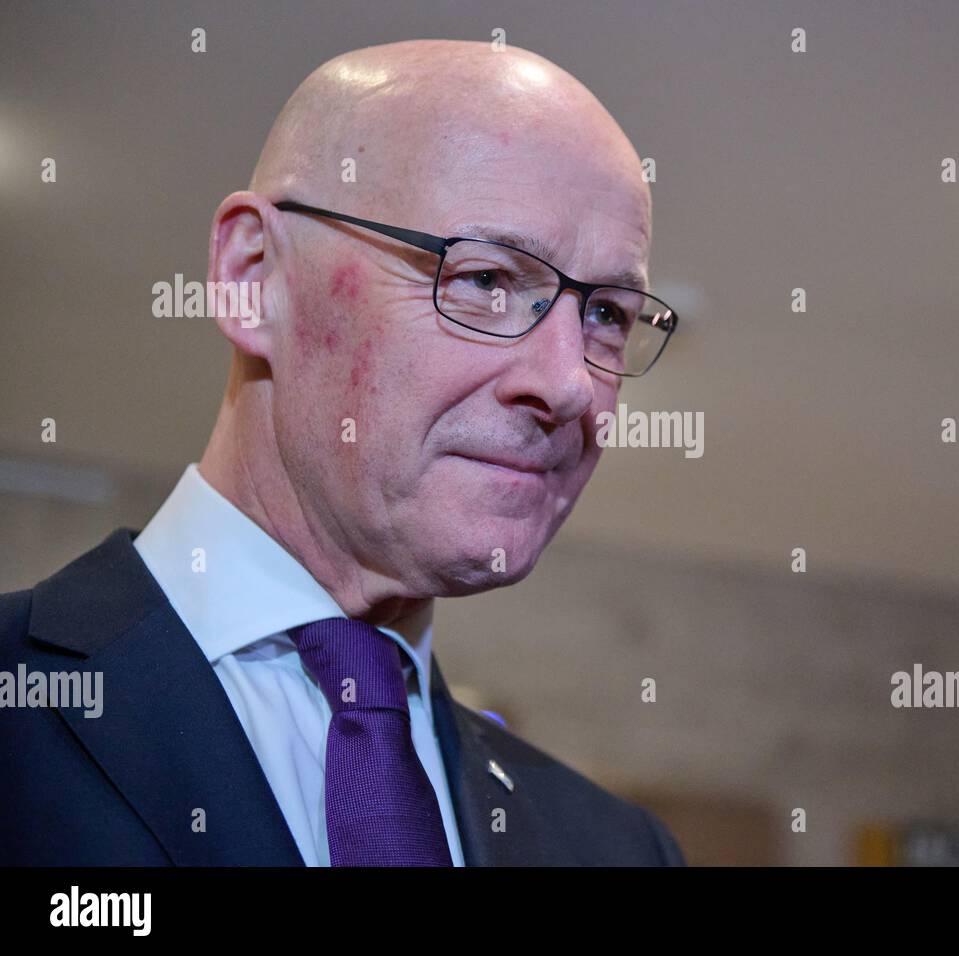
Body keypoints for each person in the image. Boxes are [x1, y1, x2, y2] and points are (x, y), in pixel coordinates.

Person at [0, 39, 684, 866]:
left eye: (608, 314)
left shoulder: (618, 849)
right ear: (254, 275)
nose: (570, 384)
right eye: (486, 280)